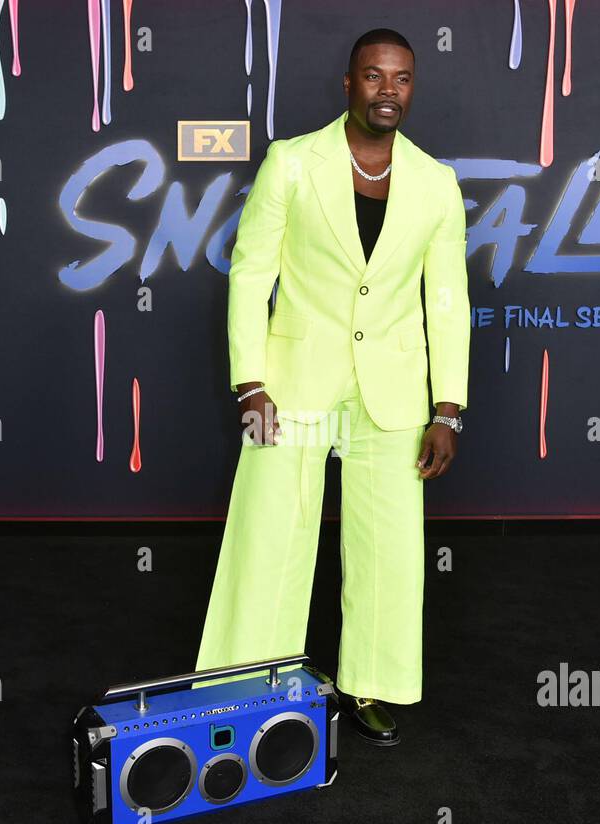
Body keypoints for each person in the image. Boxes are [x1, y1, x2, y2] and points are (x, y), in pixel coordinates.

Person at [197, 28, 470, 746]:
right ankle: (246, 687)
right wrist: (250, 383)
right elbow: (251, 273)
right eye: (374, 76)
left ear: (414, 88)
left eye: (402, 79)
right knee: (270, 534)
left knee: (388, 546)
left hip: (395, 390)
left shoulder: (436, 183)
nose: (389, 90)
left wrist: (448, 408)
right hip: (293, 383)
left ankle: (369, 688)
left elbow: (446, 300)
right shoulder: (291, 163)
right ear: (347, 84)